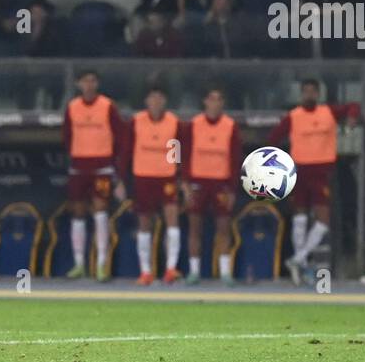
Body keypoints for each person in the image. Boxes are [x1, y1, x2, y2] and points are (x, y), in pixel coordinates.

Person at [266, 78, 359, 285]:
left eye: (312, 92)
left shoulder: (328, 112)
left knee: (323, 219)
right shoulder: (294, 116)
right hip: (299, 170)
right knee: (299, 217)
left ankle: (298, 259)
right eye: (305, 92)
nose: (309, 95)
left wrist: (352, 118)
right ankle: (302, 264)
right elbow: (273, 138)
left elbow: (354, 106)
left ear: (318, 94)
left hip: (322, 171)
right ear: (301, 95)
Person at [62, 69, 127, 280]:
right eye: (85, 81)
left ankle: (101, 263)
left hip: (102, 167)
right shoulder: (72, 108)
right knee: (78, 213)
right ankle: (79, 263)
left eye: (92, 81)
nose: (88, 85)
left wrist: (117, 172)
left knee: (100, 212)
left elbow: (120, 139)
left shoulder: (107, 106)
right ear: (79, 84)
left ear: (97, 84)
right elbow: (66, 137)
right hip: (79, 167)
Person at [180, 86, 240, 286]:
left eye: (219, 99)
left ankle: (225, 272)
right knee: (195, 228)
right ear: (205, 102)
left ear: (222, 103)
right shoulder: (193, 125)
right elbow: (183, 153)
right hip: (198, 181)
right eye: (211, 99)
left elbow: (235, 158)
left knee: (223, 227)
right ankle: (194, 271)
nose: (215, 103)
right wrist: (185, 183)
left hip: (221, 182)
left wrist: (232, 188)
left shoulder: (230, 126)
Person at [123, 86, 182, 285]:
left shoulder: (173, 122)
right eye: (152, 98)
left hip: (167, 177)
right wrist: (122, 180)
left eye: (159, 97)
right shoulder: (137, 121)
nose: (156, 102)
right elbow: (127, 151)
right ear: (146, 101)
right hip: (143, 177)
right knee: (144, 224)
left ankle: (171, 269)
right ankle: (146, 271)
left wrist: (179, 177)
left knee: (172, 221)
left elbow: (177, 152)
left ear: (164, 101)